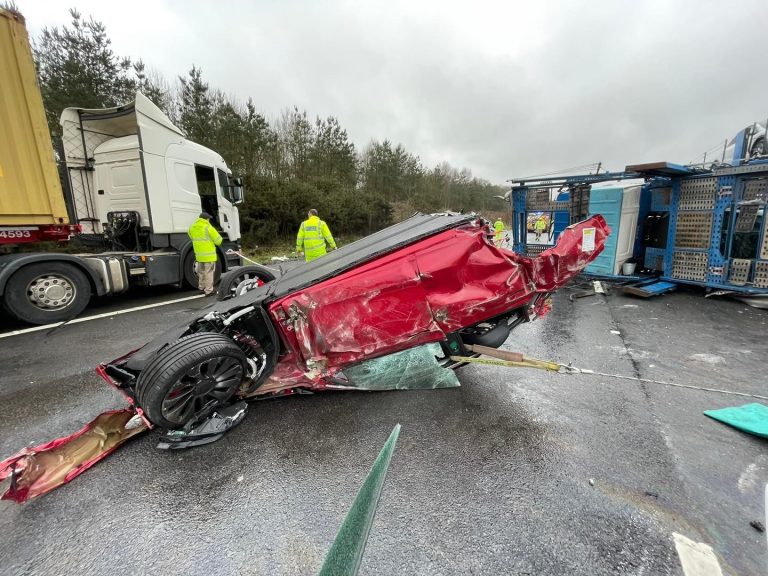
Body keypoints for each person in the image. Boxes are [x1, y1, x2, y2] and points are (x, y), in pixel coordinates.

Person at [188, 211, 222, 295]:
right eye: (208, 219)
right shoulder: (208, 227)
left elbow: (191, 236)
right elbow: (219, 241)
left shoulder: (192, 227)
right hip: (209, 256)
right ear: (206, 219)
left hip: (199, 255)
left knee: (201, 272)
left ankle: (201, 288)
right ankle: (209, 291)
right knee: (209, 273)